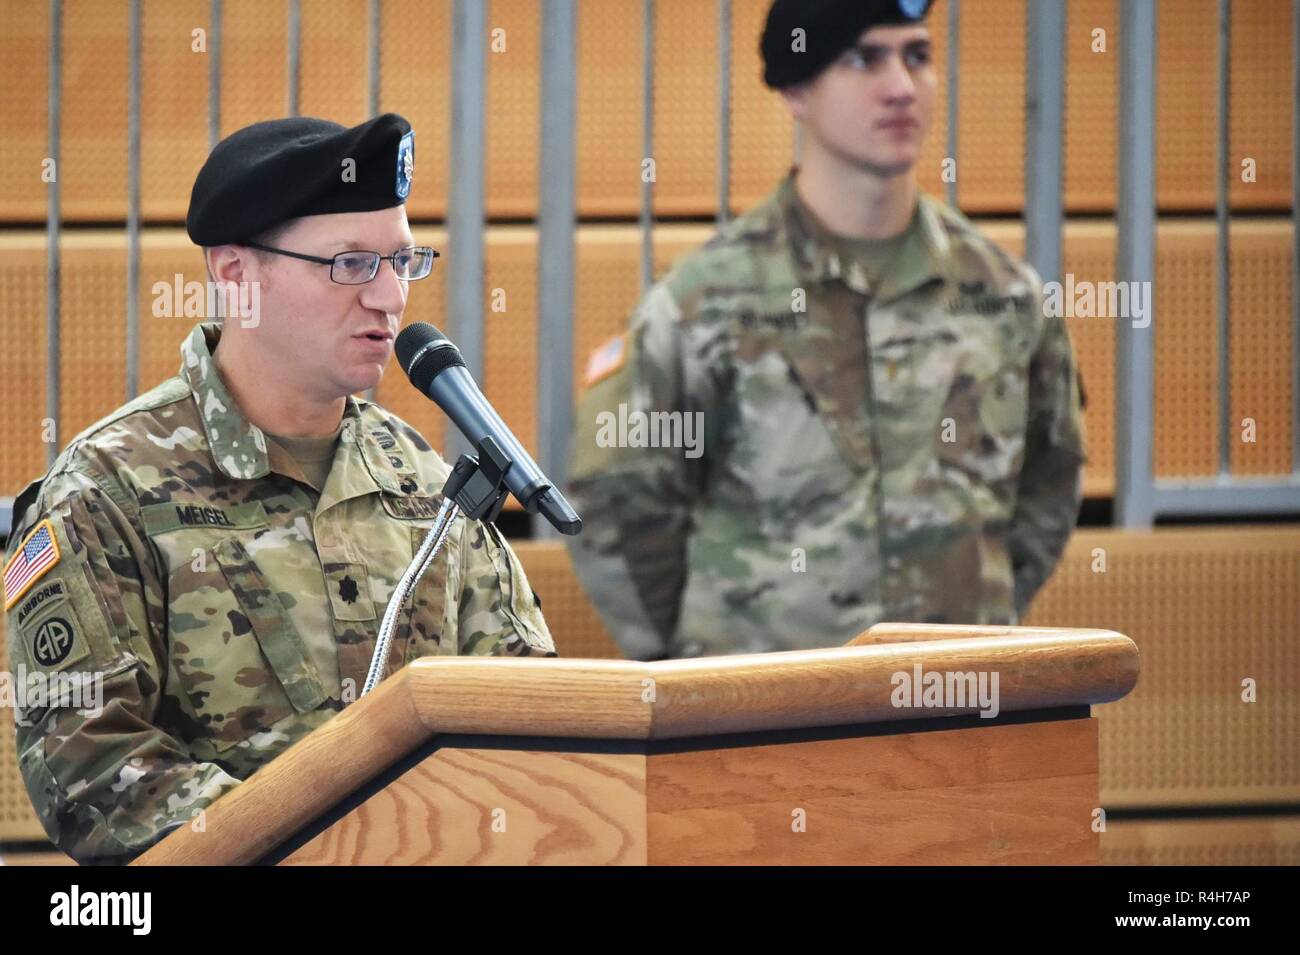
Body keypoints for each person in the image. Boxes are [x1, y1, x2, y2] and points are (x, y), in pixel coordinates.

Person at [2, 113, 554, 865]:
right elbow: (92, 771)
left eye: (403, 260)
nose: (391, 297)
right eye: (352, 264)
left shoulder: (426, 480)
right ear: (236, 275)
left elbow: (533, 717)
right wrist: (340, 848)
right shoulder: (106, 488)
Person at [566, 0, 1086, 660]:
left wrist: (981, 610)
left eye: (918, 56)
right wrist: (700, 672)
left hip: (955, 714)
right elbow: (616, 497)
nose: (901, 86)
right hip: (764, 729)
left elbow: (1048, 484)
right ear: (796, 89)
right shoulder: (706, 301)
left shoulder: (1004, 297)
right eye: (864, 59)